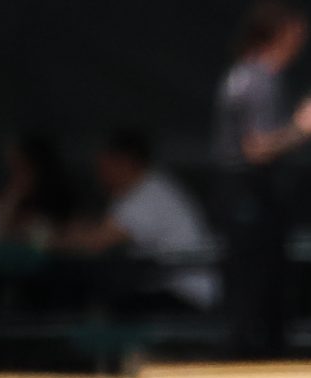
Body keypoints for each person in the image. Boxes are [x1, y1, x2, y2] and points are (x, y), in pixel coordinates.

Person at [214, 0, 311, 358]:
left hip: (241, 199)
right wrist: (303, 128)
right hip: (252, 199)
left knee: (257, 292)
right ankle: (254, 366)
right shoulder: (258, 79)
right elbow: (256, 147)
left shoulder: (243, 75)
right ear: (279, 35)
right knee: (259, 297)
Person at [62, 132, 219, 310]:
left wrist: (42, 239)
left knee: (108, 307)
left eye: (105, 166)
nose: (100, 175)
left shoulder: (148, 191)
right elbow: (97, 229)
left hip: (189, 293)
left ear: (125, 162)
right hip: (164, 287)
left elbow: (95, 242)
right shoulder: (132, 191)